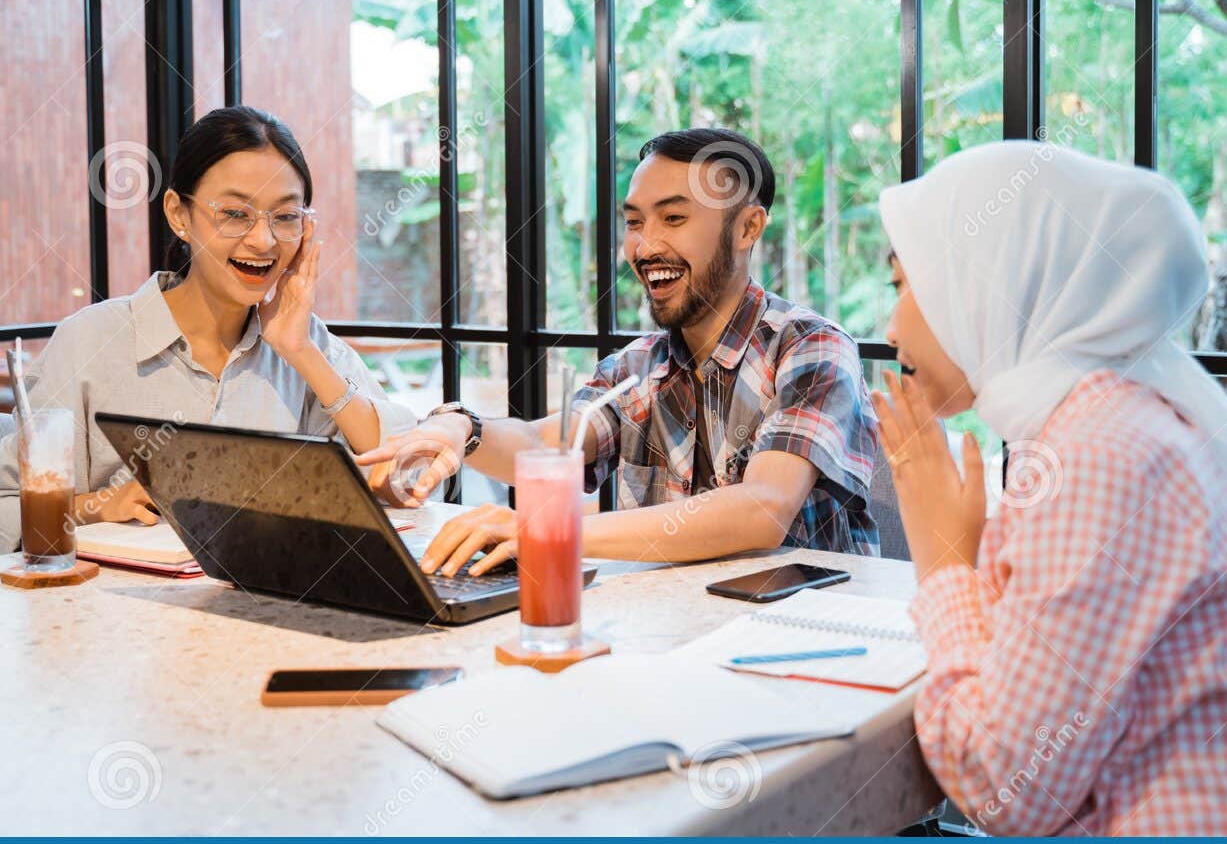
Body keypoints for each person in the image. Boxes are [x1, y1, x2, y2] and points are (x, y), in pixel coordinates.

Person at [871, 140, 1227, 836]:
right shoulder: (1106, 423)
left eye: (901, 285)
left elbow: (1007, 786)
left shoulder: (1099, 456)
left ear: (988, 276)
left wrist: (945, 557)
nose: (890, 327)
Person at [355, 127, 879, 575]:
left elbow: (762, 509)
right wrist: (462, 428)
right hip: (671, 630)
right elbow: (546, 443)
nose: (645, 247)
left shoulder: (810, 347)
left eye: (673, 219)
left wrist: (550, 529)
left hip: (807, 645)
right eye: (634, 222)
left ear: (747, 228)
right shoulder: (637, 368)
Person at [0, 105, 416, 554]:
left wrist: (301, 353)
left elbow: (411, 478)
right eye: (234, 214)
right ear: (178, 214)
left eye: (285, 217)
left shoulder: (307, 343)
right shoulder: (90, 341)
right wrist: (99, 505)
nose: (263, 241)